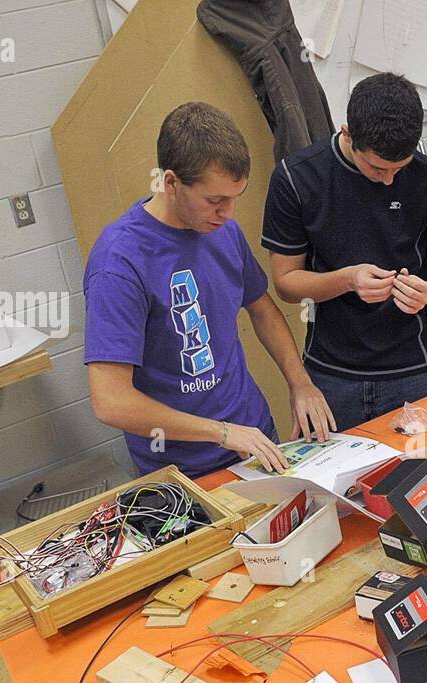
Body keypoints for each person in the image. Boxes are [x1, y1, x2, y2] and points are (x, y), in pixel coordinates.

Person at [84, 101, 336, 477]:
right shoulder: (119, 263)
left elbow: (263, 309)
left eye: (236, 198)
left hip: (253, 437)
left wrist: (300, 383)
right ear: (171, 183)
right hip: (183, 466)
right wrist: (221, 433)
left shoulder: (221, 230)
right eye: (215, 201)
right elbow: (110, 401)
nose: (229, 213)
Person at [261, 72, 427, 430]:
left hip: (415, 371)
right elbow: (286, 284)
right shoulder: (297, 179)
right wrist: (346, 280)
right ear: (347, 134)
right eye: (377, 167)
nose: (388, 180)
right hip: (332, 375)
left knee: (419, 480)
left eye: (399, 168)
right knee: (330, 484)